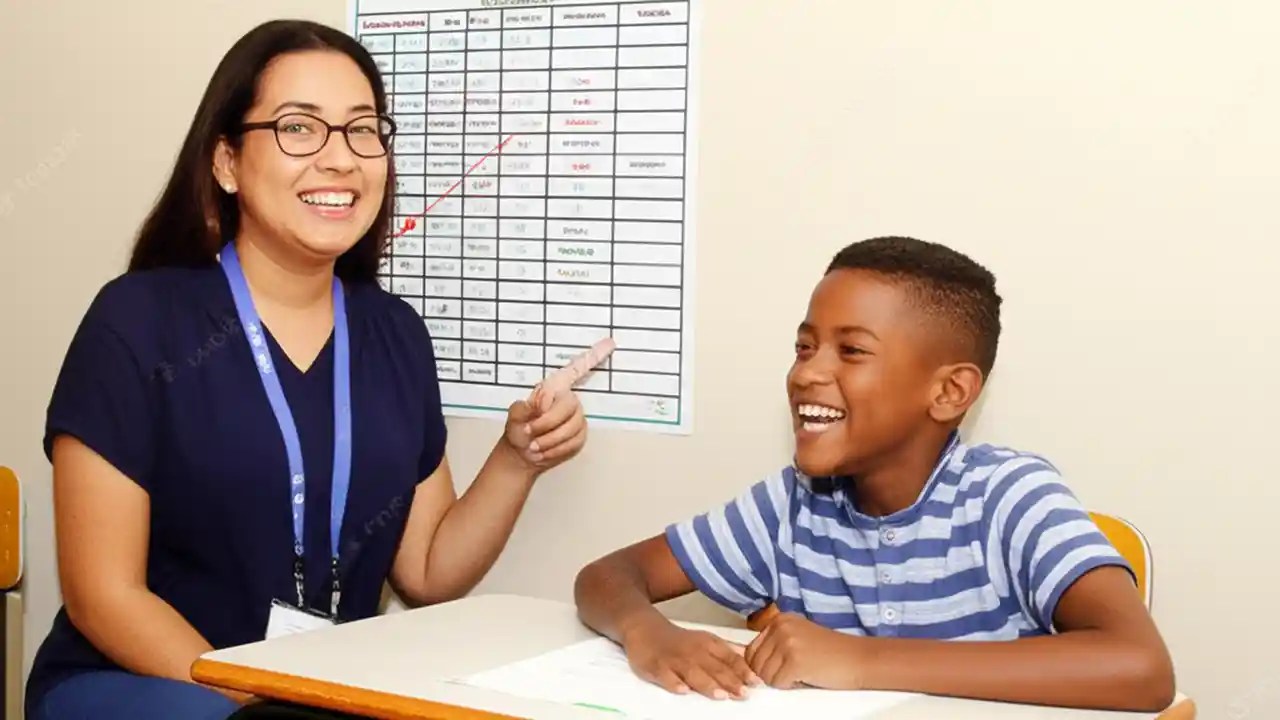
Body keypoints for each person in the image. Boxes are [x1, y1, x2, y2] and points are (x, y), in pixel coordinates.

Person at [28, 19, 591, 720]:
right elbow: (102, 595)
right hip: (148, 685)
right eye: (299, 128)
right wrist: (263, 699)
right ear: (226, 161)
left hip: (314, 697)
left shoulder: (394, 334)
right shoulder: (137, 321)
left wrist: (518, 458)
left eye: (362, 130)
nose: (341, 158)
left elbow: (426, 572)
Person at [574, 236, 1177, 712]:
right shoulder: (793, 505)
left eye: (852, 351)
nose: (807, 373)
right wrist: (645, 631)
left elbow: (1141, 668)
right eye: (805, 347)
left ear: (949, 391)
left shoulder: (1008, 497)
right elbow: (607, 576)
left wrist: (861, 660)